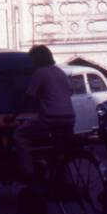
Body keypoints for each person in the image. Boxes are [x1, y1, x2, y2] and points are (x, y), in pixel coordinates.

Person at [13, 45, 76, 179]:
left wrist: (14, 115)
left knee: (19, 135)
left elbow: (28, 97)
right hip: (70, 118)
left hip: (51, 119)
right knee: (59, 149)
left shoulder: (39, 73)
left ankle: (28, 172)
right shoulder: (60, 71)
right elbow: (69, 92)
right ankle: (61, 175)